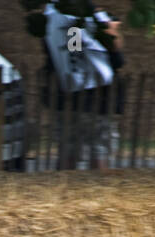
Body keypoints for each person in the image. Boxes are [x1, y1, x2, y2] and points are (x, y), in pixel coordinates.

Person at [42, 2, 121, 169]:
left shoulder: (52, 16)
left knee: (72, 149)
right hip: (88, 94)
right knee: (93, 149)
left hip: (72, 94)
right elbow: (75, 50)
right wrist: (110, 30)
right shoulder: (74, 18)